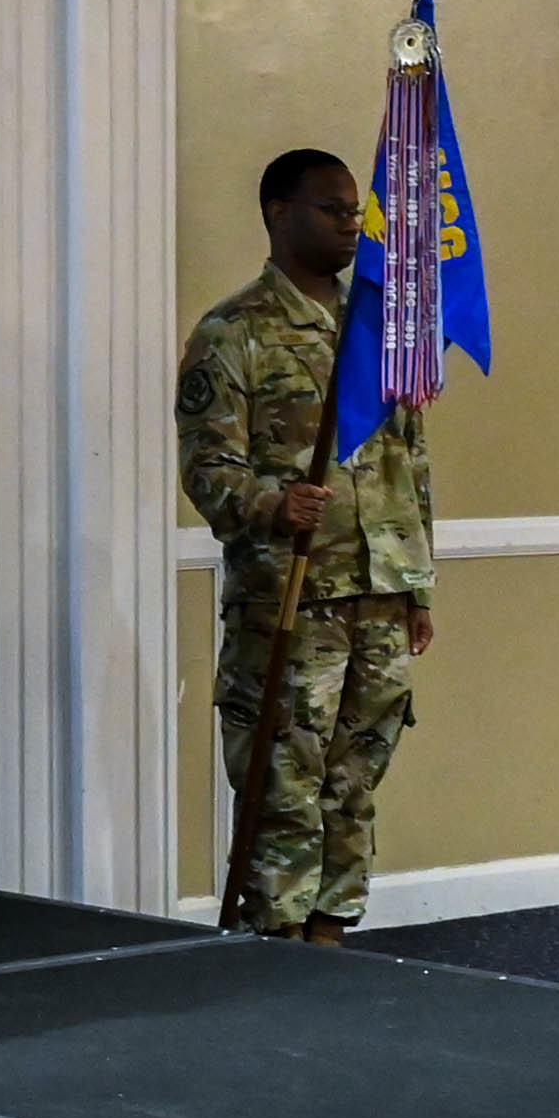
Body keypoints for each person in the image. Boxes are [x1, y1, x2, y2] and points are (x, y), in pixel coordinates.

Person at [178, 149, 434, 943]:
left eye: (356, 210)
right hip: (292, 595)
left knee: (355, 781)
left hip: (379, 588)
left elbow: (410, 459)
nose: (351, 224)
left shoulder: (376, 331)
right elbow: (207, 469)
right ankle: (278, 945)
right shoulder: (236, 333)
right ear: (279, 213)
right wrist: (272, 504)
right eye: (331, 209)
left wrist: (418, 586)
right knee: (283, 780)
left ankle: (333, 934)